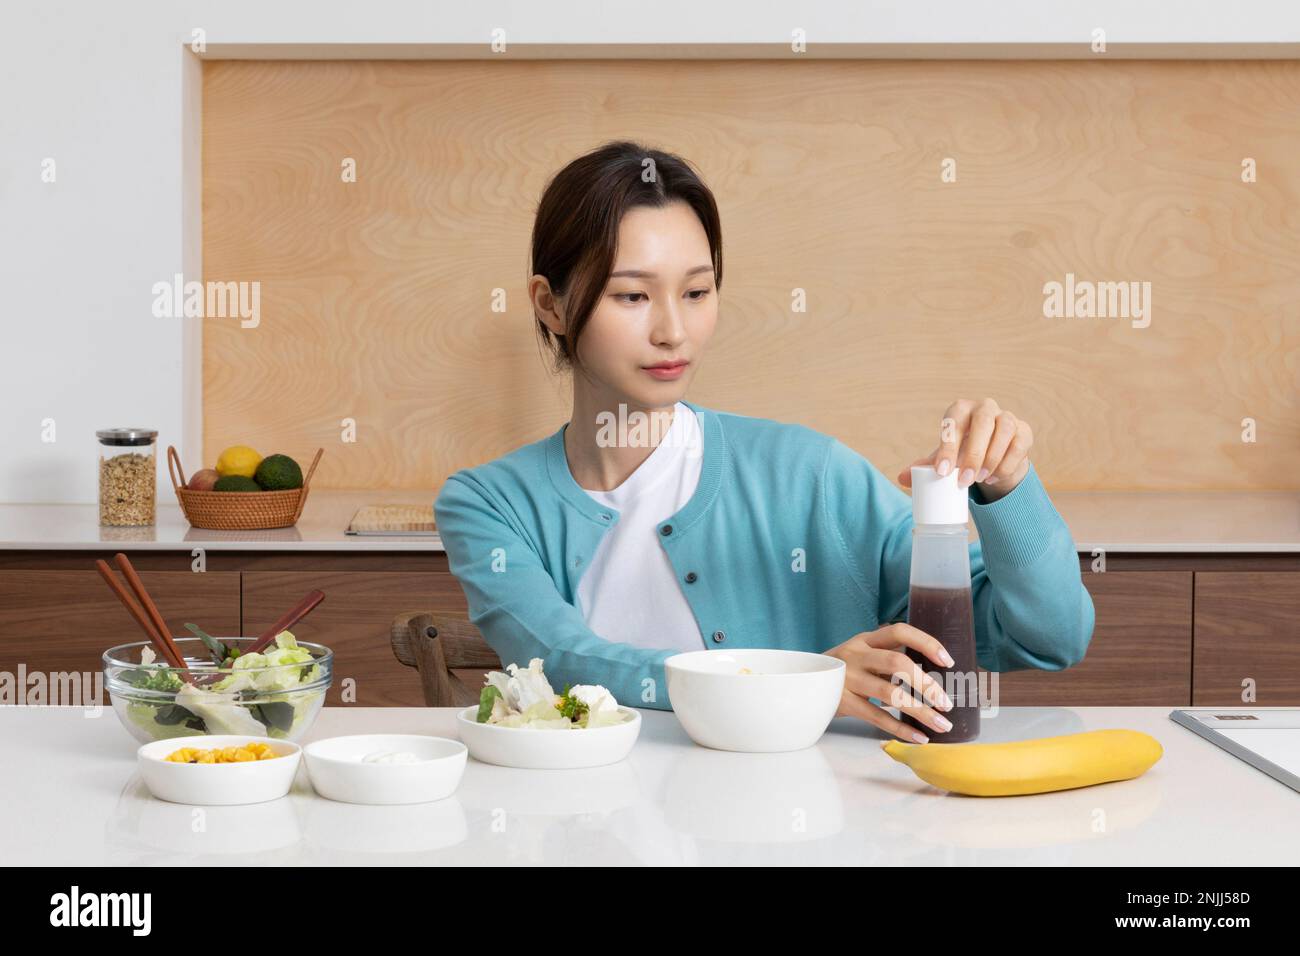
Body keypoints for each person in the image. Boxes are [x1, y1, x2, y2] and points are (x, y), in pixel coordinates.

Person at [435, 140, 1094, 743]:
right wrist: (794, 681)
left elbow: (1052, 638)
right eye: (632, 296)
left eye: (697, 291)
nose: (673, 331)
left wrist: (1009, 489)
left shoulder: (810, 477)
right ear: (549, 305)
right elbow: (558, 656)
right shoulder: (489, 503)